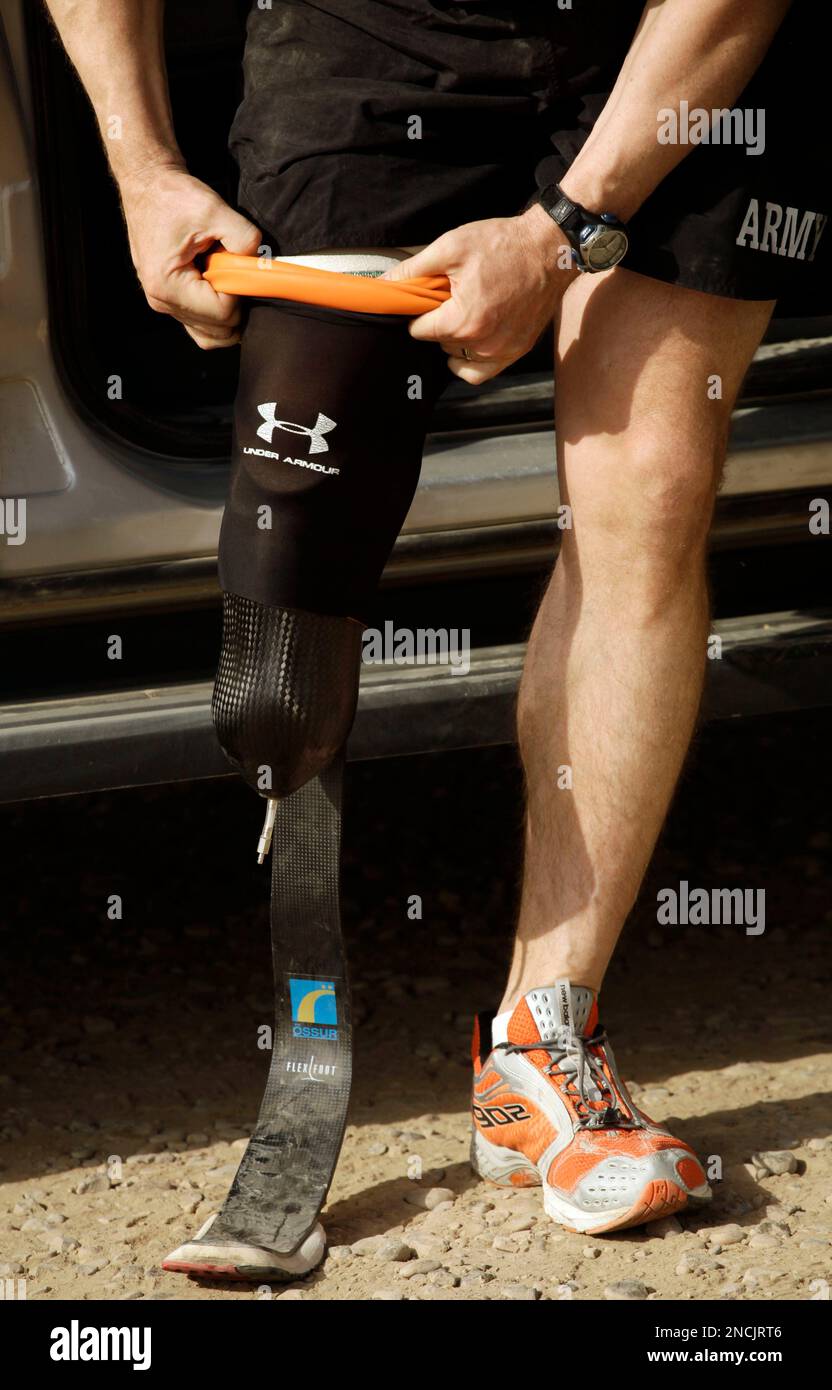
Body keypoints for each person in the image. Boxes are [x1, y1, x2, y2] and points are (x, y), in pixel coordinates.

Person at [46, 0, 826, 1267]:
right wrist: (142, 166)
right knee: (299, 514)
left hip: (675, 49)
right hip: (368, 31)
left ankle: (541, 1042)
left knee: (649, 478)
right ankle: (303, 1028)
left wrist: (566, 229)